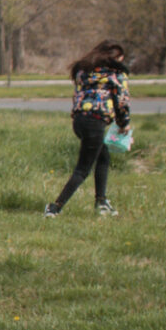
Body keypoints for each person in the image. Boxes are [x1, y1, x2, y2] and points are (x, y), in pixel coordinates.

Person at [45, 41, 131, 217]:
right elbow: (121, 102)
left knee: (103, 157)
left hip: (79, 121)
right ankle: (55, 207)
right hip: (95, 122)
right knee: (82, 169)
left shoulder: (83, 72)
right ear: (115, 59)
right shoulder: (116, 75)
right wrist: (124, 124)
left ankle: (101, 202)